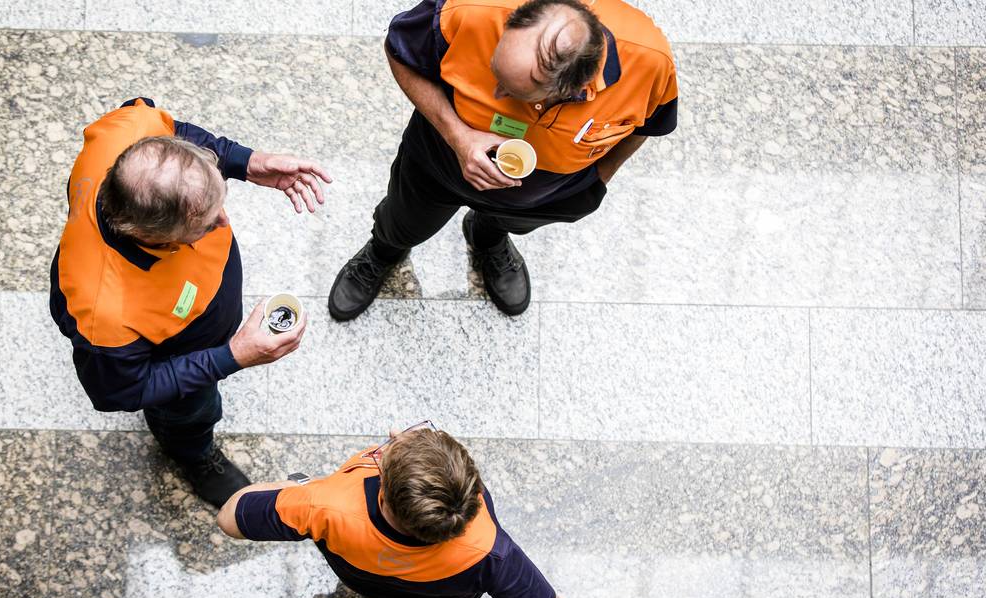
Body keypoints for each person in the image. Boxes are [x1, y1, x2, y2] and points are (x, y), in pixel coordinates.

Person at [51, 97, 332, 508]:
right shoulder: (105, 315)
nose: (223, 220)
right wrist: (231, 356)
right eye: (207, 222)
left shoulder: (129, 132)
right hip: (179, 357)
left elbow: (173, 133)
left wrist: (243, 162)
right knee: (189, 414)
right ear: (157, 238)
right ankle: (193, 454)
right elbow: (120, 392)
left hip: (191, 303)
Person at [328, 0, 677, 319]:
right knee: (404, 220)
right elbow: (399, 52)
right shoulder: (467, 10)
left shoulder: (649, 62)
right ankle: (385, 251)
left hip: (548, 196)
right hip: (441, 162)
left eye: (513, 93)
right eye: (497, 72)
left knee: (509, 221)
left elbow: (647, 124)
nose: (497, 93)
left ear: (569, 91)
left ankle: (488, 237)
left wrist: (599, 179)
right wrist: (458, 136)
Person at [217, 421, 571, 598]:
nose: (390, 435)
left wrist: (302, 489)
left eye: (383, 454)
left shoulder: (323, 505)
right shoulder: (491, 551)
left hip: (360, 575)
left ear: (384, 496)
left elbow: (230, 517)